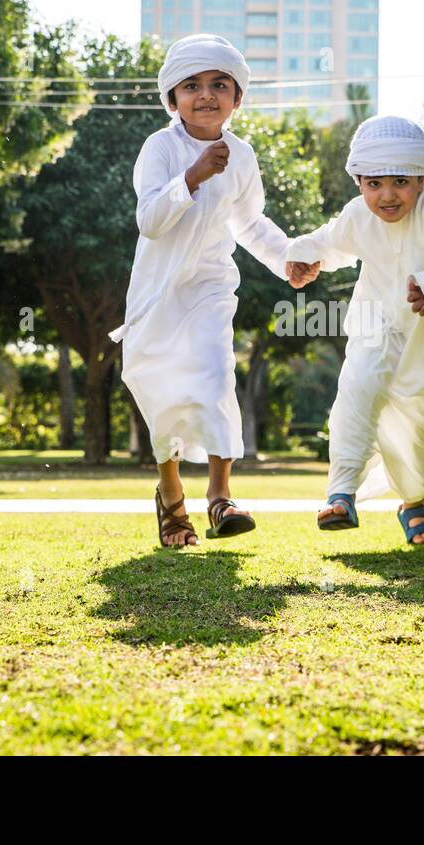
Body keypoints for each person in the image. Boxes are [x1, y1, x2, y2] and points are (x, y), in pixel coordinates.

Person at [111, 34, 319, 547]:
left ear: (237, 98)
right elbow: (150, 220)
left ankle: (221, 497)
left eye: (219, 84)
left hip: (210, 286)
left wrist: (285, 257)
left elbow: (250, 223)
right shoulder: (160, 148)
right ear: (172, 98)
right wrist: (193, 176)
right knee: (163, 391)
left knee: (214, 375)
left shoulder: (242, 155)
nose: (206, 94)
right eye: (192, 85)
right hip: (158, 293)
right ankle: (171, 497)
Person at [284, 115, 424, 545]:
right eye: (374, 183)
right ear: (359, 181)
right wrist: (305, 255)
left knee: (420, 421)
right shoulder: (357, 214)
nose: (387, 195)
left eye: (400, 181)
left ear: (422, 179)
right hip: (374, 321)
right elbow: (331, 240)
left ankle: (413, 502)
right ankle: (341, 493)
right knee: (359, 385)